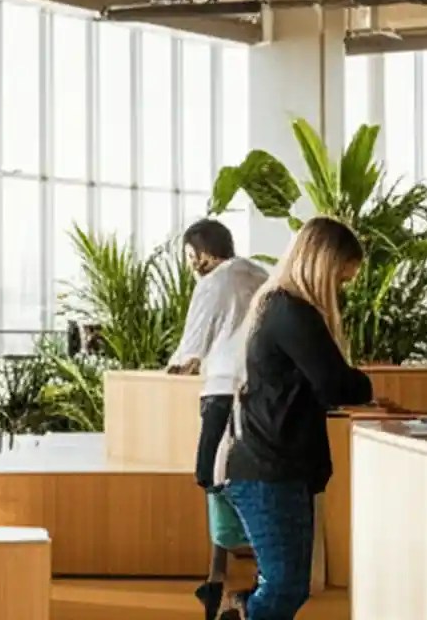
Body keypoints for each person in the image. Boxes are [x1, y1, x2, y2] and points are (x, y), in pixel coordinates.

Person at [219, 216, 373, 619]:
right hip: (267, 469)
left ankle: (240, 612)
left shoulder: (277, 305)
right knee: (286, 584)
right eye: (340, 279)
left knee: (288, 584)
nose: (339, 292)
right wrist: (365, 386)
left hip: (272, 465)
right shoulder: (291, 310)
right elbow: (337, 384)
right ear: (322, 266)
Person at [166, 219, 268, 620]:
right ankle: (235, 574)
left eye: (192, 255)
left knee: (212, 475)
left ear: (204, 252)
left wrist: (180, 364)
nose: (192, 263)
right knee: (248, 477)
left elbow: (192, 346)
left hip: (223, 391)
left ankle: (222, 578)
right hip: (261, 392)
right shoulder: (259, 273)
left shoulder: (213, 282)